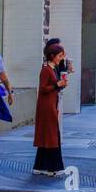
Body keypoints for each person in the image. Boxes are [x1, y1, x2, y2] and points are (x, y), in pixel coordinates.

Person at [33, 43, 68, 176]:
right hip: (47, 106)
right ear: (52, 56)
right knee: (52, 135)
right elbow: (42, 88)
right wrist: (56, 85)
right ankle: (53, 168)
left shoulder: (51, 68)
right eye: (59, 56)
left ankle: (40, 166)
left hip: (49, 104)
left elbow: (50, 87)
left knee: (47, 135)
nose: (61, 58)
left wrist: (59, 86)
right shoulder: (47, 69)